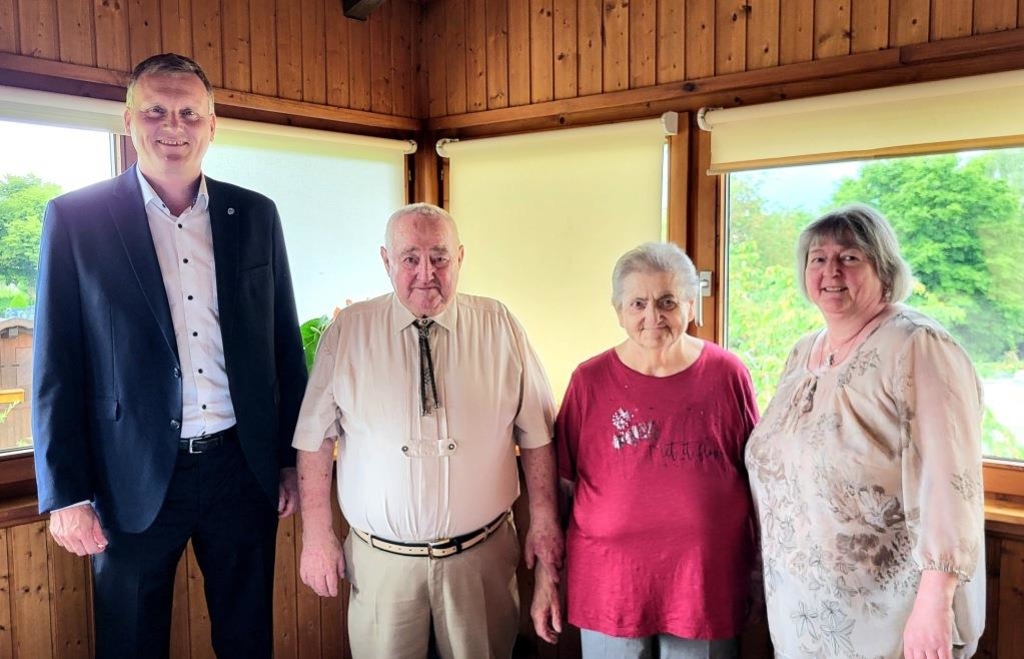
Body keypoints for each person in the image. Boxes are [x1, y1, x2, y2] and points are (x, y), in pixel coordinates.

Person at [32, 53, 307, 659]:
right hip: (128, 476)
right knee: (130, 642)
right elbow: (55, 366)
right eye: (156, 110)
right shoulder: (76, 219)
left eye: (189, 113)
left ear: (213, 125)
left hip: (242, 469)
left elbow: (283, 346)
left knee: (247, 639)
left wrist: (290, 461)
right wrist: (65, 493)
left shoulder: (255, 214)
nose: (173, 126)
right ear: (129, 120)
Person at [293, 202, 563, 659]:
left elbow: (537, 433)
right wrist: (316, 536)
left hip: (481, 562)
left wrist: (544, 521)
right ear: (386, 261)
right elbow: (315, 439)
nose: (426, 274)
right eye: (410, 259)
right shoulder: (349, 331)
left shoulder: (499, 326)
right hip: (382, 569)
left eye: (439, 257)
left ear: (460, 257)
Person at [745, 204, 986, 659]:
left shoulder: (916, 344)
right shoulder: (802, 352)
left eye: (850, 257)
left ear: (884, 269)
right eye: (818, 258)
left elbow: (950, 480)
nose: (831, 271)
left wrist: (934, 604)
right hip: (803, 615)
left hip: (892, 620)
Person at [536, 242, 760, 658]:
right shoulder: (589, 380)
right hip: (611, 585)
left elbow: (757, 479)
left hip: (705, 584)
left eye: (667, 301)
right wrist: (546, 579)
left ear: (690, 306)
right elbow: (562, 487)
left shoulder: (728, 374)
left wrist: (761, 573)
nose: (652, 316)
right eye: (637, 303)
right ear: (618, 311)